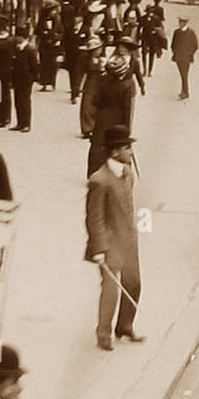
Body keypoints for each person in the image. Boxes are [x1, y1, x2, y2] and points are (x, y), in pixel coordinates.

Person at [86, 126, 144, 351]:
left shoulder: (127, 173)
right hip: (109, 245)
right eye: (126, 147)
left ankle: (125, 326)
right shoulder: (99, 180)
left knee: (134, 284)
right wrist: (99, 249)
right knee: (111, 289)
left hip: (129, 240)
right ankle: (103, 334)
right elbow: (94, 218)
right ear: (113, 152)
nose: (131, 151)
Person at [87, 56, 137, 178]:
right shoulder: (128, 84)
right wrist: (127, 129)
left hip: (102, 118)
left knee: (98, 146)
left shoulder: (103, 82)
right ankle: (123, 174)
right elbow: (127, 109)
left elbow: (96, 101)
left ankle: (93, 173)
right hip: (118, 119)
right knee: (119, 146)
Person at [12, 26, 39, 132]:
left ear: (21, 37)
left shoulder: (30, 49)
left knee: (25, 101)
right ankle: (20, 122)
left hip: (26, 78)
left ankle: (26, 123)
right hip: (18, 77)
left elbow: (34, 65)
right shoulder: (18, 48)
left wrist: (34, 77)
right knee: (18, 100)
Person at [79, 37, 105, 139]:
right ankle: (87, 128)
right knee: (87, 105)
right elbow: (80, 73)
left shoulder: (103, 60)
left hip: (101, 84)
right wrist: (78, 87)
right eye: (95, 50)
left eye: (99, 49)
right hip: (90, 83)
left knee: (97, 106)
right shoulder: (86, 60)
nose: (98, 51)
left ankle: (96, 127)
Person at [170, 16, 198, 100]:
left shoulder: (191, 33)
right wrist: (175, 52)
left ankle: (185, 92)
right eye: (179, 22)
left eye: (181, 22)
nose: (180, 24)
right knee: (182, 74)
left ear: (185, 23)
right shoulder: (177, 32)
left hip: (186, 58)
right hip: (178, 57)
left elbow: (195, 45)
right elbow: (173, 44)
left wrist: (190, 54)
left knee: (184, 74)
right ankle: (184, 91)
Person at [63, 13, 89, 104]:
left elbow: (88, 41)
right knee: (72, 73)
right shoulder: (69, 28)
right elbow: (65, 41)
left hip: (81, 55)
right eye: (75, 17)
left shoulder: (86, 29)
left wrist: (85, 47)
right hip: (70, 55)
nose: (76, 19)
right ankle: (74, 89)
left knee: (78, 73)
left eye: (78, 17)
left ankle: (75, 93)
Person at [140, 3, 166, 77]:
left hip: (153, 38)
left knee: (152, 54)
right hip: (145, 37)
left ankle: (149, 71)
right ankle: (145, 70)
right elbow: (139, 28)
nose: (149, 13)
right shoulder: (143, 18)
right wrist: (139, 37)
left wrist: (156, 31)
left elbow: (161, 27)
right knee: (144, 53)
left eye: (150, 11)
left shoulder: (156, 18)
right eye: (148, 11)